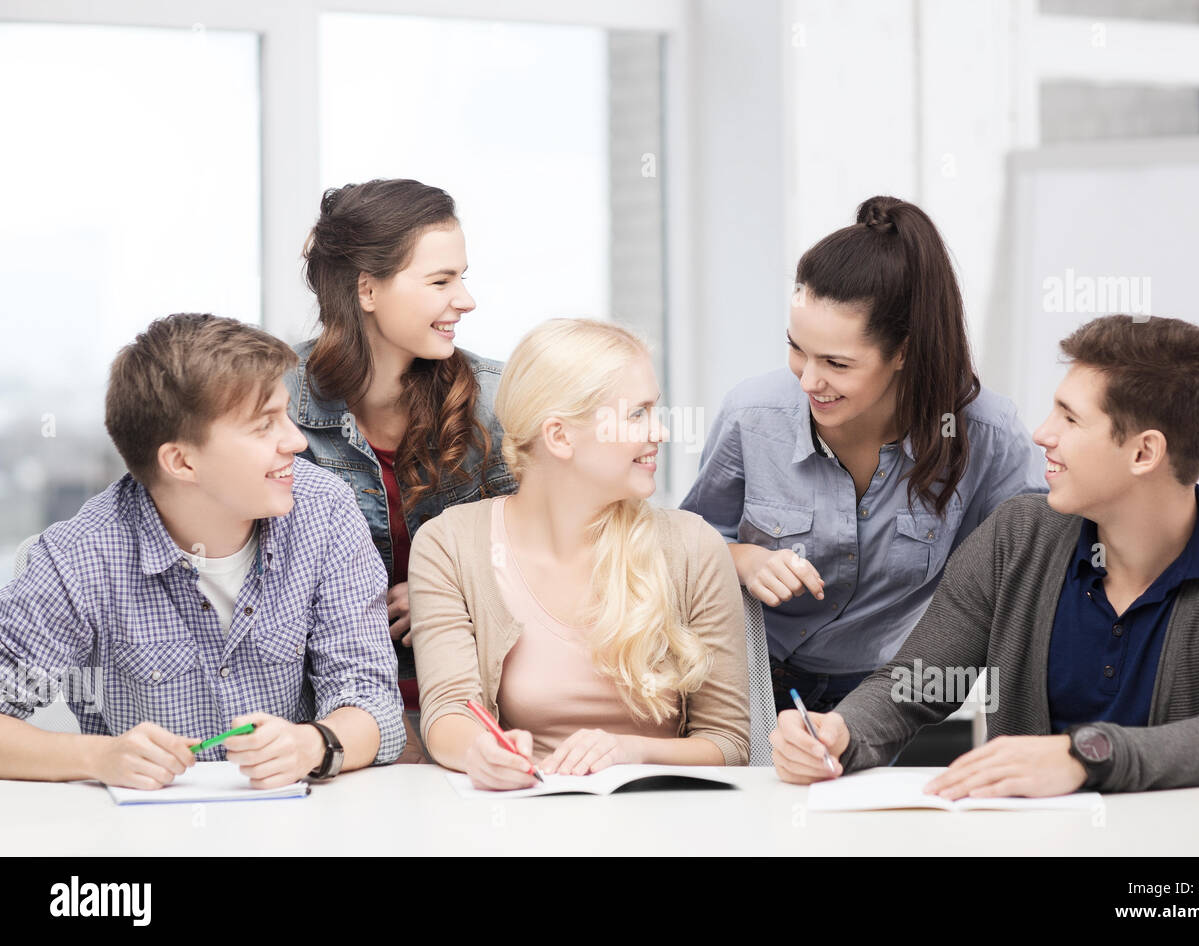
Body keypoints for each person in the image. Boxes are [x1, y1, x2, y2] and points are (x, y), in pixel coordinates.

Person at [770, 315, 1199, 855]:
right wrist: (841, 732)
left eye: (1070, 419)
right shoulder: (1016, 537)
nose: (1043, 434)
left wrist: (1081, 755)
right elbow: (918, 684)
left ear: (1144, 452)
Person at [0, 314, 404, 789]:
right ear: (181, 461)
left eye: (286, 413)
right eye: (263, 426)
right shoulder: (81, 555)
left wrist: (313, 744)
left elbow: (372, 699)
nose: (296, 441)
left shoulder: (324, 510)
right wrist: (102, 756)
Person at [681, 195, 1045, 713]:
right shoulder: (752, 414)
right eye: (796, 348)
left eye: (836, 362)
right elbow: (688, 546)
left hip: (894, 698)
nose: (809, 379)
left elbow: (1031, 572)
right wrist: (744, 559)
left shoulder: (987, 433)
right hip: (753, 681)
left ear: (904, 352)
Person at [408, 318, 750, 790]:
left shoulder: (693, 547)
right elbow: (448, 713)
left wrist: (632, 753)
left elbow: (728, 744)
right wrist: (481, 754)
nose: (661, 432)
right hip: (523, 811)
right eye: (638, 414)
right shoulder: (449, 546)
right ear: (561, 437)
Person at [288, 179, 515, 758]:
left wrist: (455, 587)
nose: (465, 300)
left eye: (462, 277)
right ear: (367, 289)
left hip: (484, 709)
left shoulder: (498, 399)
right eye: (441, 281)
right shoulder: (277, 406)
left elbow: (578, 546)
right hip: (329, 718)